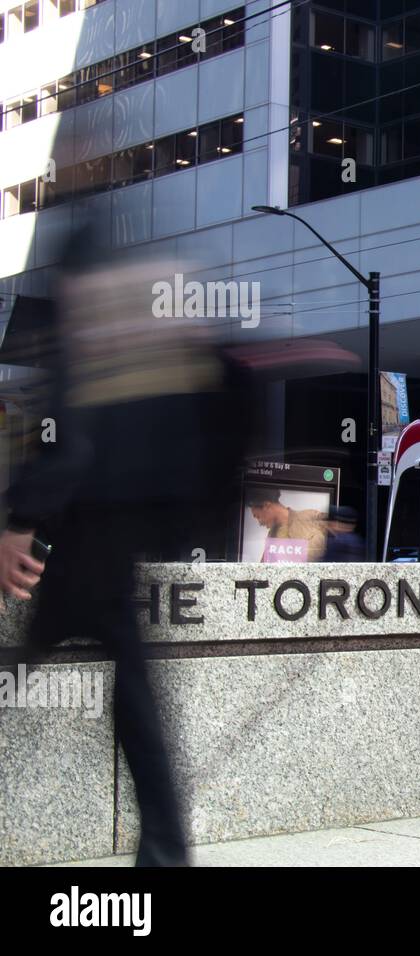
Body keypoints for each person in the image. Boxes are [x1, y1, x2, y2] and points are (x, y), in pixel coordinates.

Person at [0, 232, 251, 867]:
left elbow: (71, 441)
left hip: (95, 526)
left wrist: (18, 521)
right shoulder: (154, 312)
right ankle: (165, 848)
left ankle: (165, 849)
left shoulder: (89, 310)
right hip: (125, 524)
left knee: (94, 674)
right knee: (130, 687)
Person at [247, 488, 328, 562]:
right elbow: (263, 571)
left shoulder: (310, 517)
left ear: (266, 506)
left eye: (258, 516)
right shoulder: (271, 536)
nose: (260, 523)